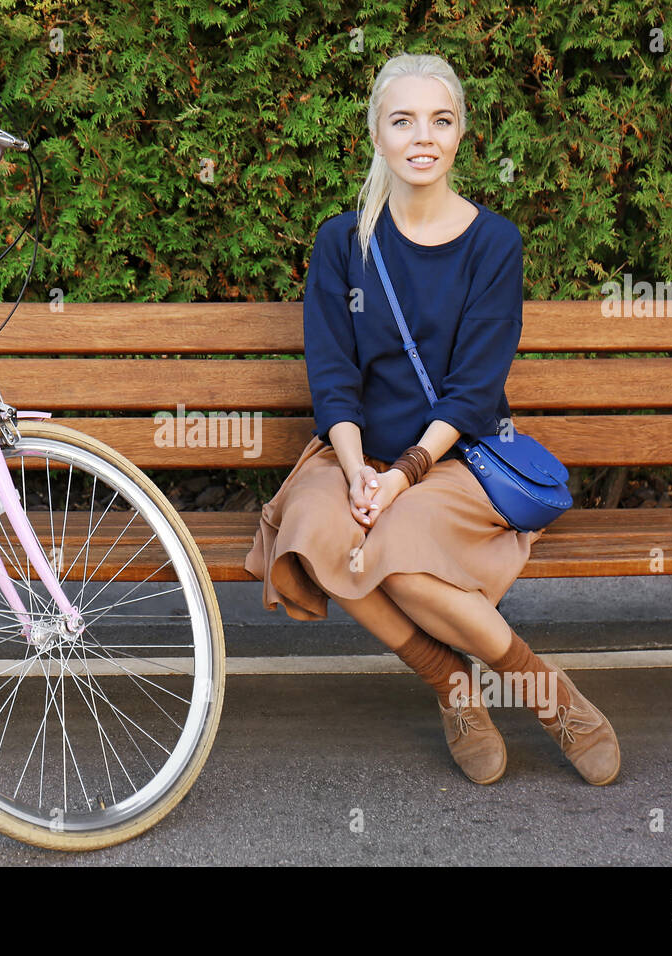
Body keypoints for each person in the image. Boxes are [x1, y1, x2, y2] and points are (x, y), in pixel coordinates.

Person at [244, 53, 620, 786]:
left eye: (441, 120)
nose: (424, 136)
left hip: (453, 458)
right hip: (355, 454)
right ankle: (453, 687)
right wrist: (357, 473)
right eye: (403, 120)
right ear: (377, 136)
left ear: (459, 135)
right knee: (318, 534)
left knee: (397, 556)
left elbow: (474, 390)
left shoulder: (493, 243)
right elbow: (334, 378)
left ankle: (551, 697)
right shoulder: (341, 242)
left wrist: (403, 477)